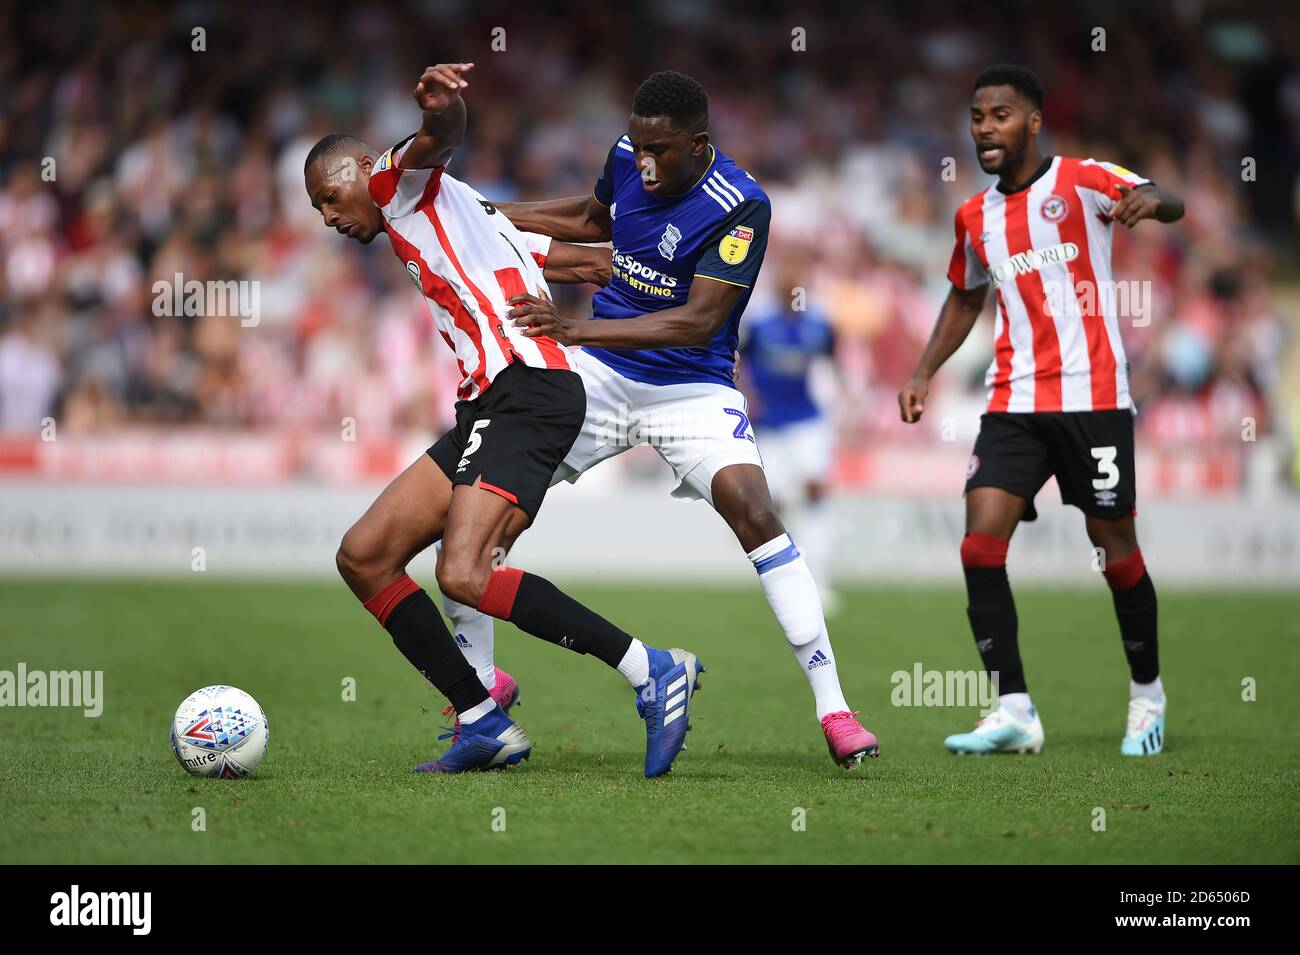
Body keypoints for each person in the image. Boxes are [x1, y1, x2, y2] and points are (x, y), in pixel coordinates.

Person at [458, 70, 879, 768]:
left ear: (699, 144)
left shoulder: (741, 203)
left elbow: (698, 320)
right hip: (601, 379)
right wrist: (496, 213)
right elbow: (595, 221)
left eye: (659, 151)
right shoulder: (630, 153)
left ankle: (834, 708)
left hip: (691, 386)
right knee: (484, 499)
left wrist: (575, 330)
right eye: (638, 146)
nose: (643, 162)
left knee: (755, 508)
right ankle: (481, 683)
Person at [305, 62, 703, 777]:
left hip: (528, 389)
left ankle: (652, 668)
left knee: (462, 571)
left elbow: (435, 139)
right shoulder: (470, 214)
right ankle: (482, 719)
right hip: (493, 399)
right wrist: (639, 265)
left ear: (362, 169)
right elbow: (587, 265)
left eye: (328, 197)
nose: (331, 217)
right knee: (364, 555)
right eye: (319, 212)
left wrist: (440, 110)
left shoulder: (395, 185)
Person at [898, 64, 1183, 756]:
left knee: (1113, 549)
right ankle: (1015, 709)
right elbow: (966, 295)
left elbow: (1163, 196)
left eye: (999, 115)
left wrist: (1150, 203)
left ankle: (1148, 695)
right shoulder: (975, 215)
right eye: (976, 117)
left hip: (1095, 398)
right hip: (1014, 402)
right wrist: (924, 369)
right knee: (979, 541)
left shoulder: (1083, 180)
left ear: (1032, 121)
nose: (984, 129)